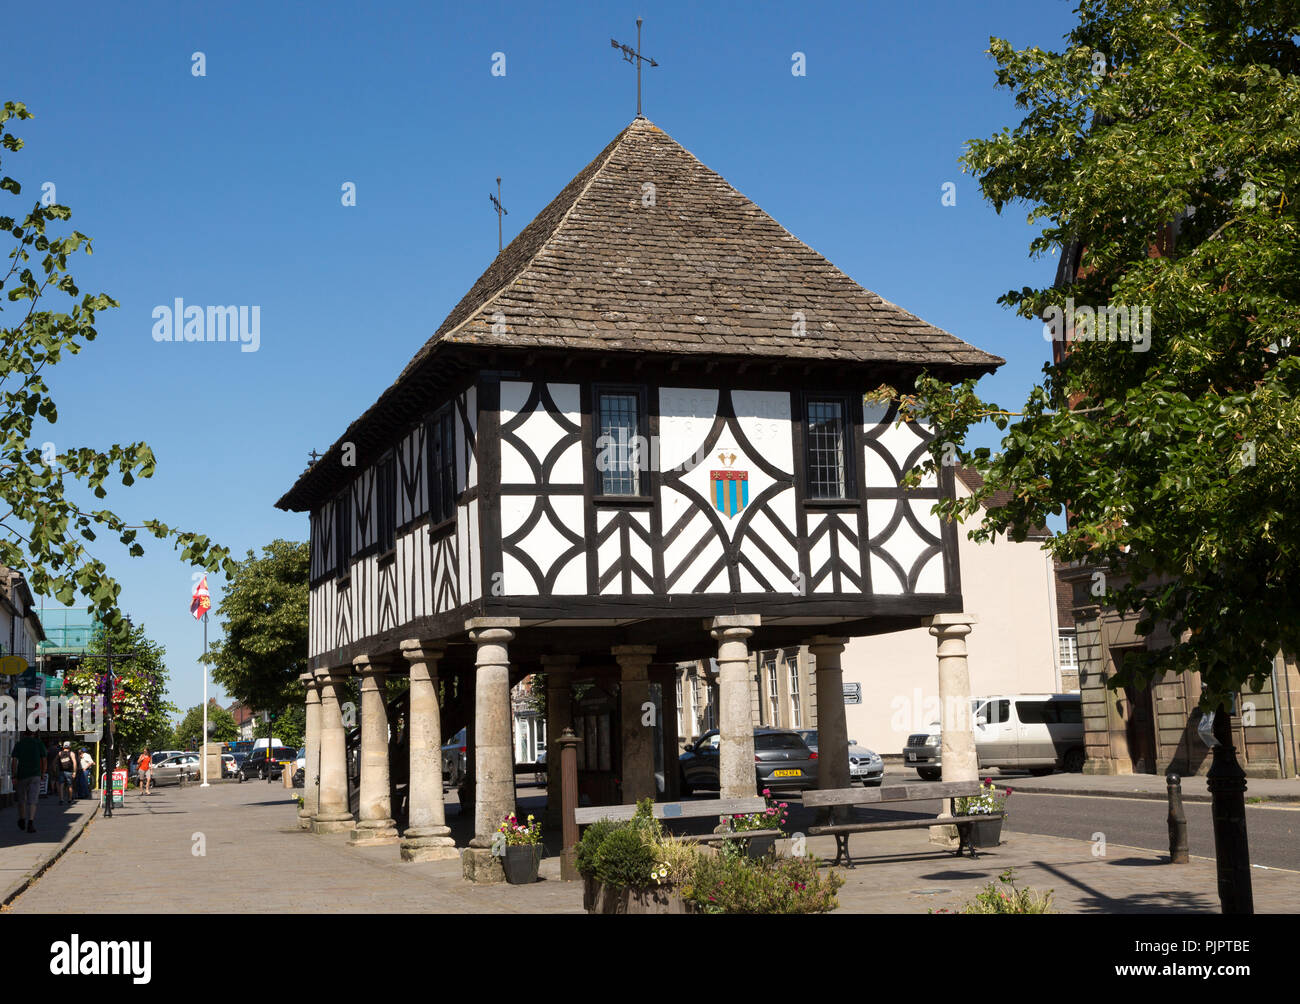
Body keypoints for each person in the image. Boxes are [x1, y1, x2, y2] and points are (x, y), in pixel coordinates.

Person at [11, 730, 47, 833]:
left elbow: (14, 761)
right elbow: (44, 759)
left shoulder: (19, 744)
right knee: (33, 800)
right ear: (34, 734)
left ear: (24, 734)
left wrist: (14, 775)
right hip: (35, 775)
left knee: (22, 799)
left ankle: (22, 819)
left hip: (22, 775)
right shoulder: (38, 743)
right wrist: (43, 773)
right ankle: (30, 822)